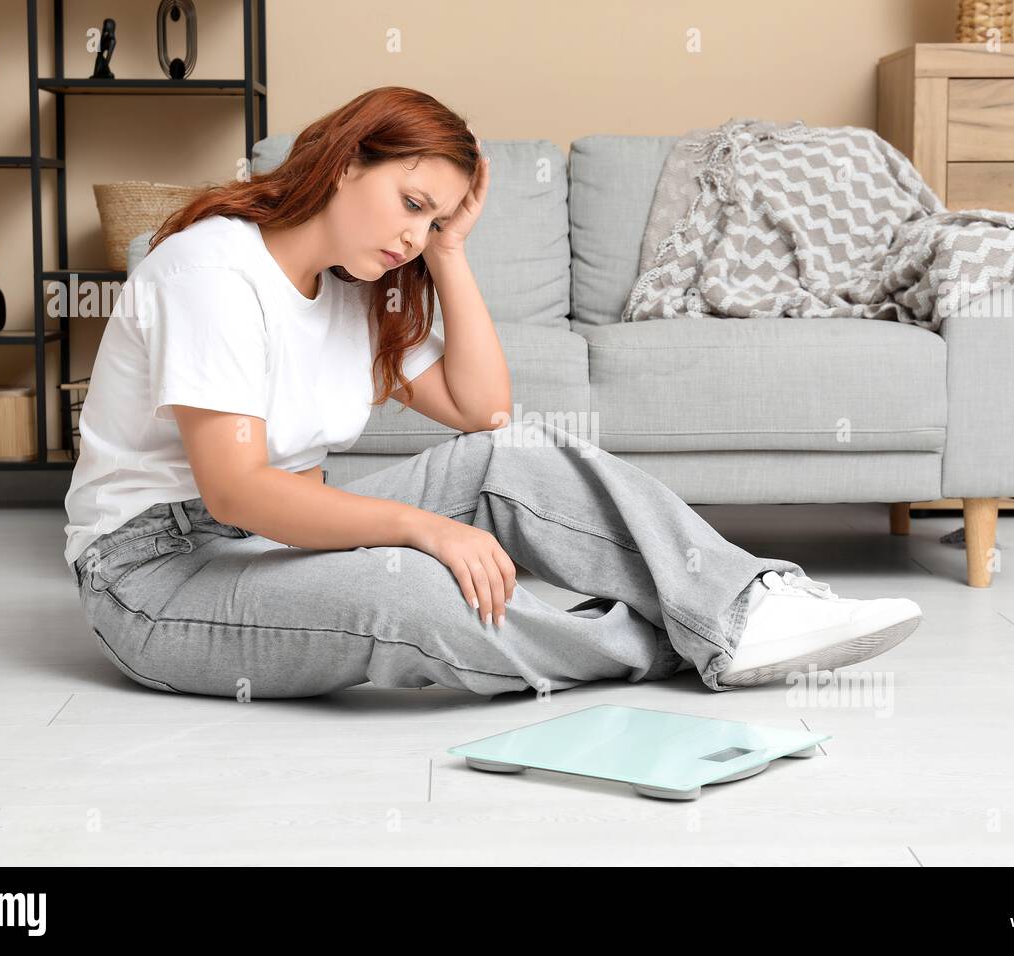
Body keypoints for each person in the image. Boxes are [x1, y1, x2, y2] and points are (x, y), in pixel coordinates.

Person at [63, 86, 922, 700]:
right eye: (408, 204)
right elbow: (235, 490)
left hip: (276, 536)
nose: (410, 235)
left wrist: (449, 255)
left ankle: (740, 607)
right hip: (155, 578)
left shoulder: (357, 288)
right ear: (342, 162)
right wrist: (422, 527)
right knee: (411, 587)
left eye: (431, 219)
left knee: (513, 458)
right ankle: (695, 637)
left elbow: (486, 416)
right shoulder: (213, 269)